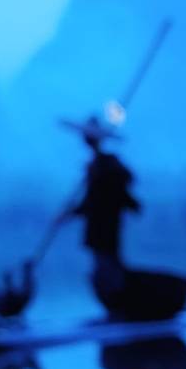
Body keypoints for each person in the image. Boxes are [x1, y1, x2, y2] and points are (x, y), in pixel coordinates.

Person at [66, 117, 139, 295]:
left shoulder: (106, 165)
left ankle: (117, 293)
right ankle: (114, 291)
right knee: (105, 260)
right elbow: (91, 201)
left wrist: (72, 212)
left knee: (107, 260)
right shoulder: (98, 165)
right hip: (101, 225)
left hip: (105, 224)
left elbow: (96, 199)